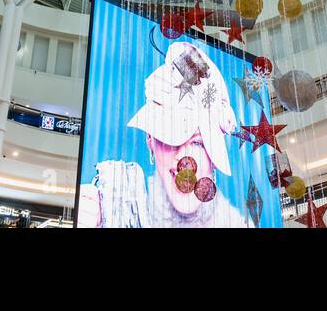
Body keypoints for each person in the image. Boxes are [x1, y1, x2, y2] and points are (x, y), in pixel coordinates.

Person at [78, 41, 253, 227]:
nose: (184, 159)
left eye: (198, 143)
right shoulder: (115, 204)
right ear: (150, 140)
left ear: (213, 161)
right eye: (171, 139)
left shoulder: (234, 223)